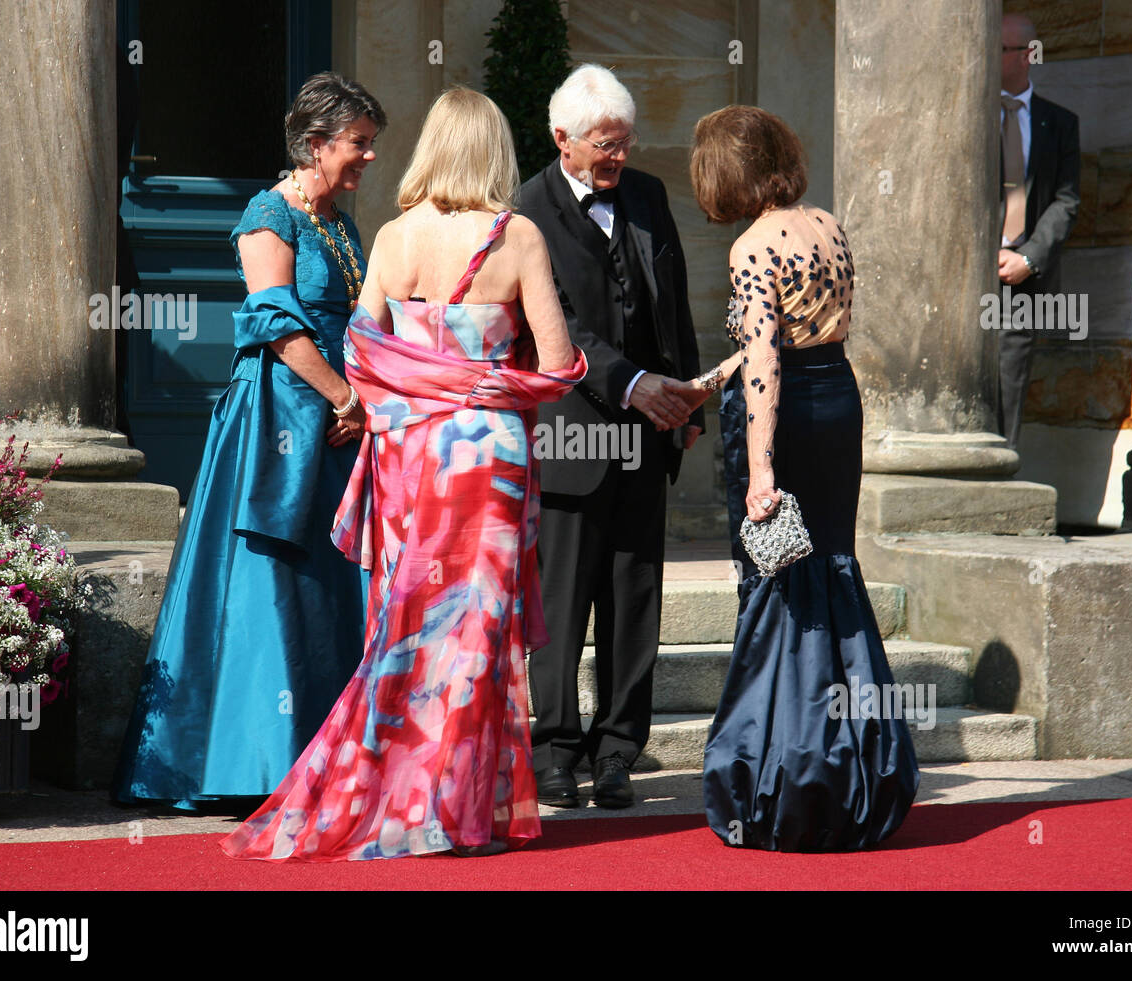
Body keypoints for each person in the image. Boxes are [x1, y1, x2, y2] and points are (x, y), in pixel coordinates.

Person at [221, 87, 587, 861]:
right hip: (489, 454)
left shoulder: (389, 236)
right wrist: (486, 383)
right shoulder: (516, 234)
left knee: (407, 624)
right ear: (495, 152)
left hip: (409, 452)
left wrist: (420, 388)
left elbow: (361, 354)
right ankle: (462, 811)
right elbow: (557, 366)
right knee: (478, 636)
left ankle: (399, 801)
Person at [112, 73, 385, 811]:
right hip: (279, 420)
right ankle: (257, 763)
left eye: (369, 145)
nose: (366, 159)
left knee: (330, 581)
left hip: (339, 421)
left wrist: (367, 398)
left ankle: (331, 753)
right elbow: (277, 322)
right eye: (358, 145)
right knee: (273, 575)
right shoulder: (268, 214)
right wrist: (343, 394)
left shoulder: (342, 224)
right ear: (316, 143)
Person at [677, 106, 919, 850]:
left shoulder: (751, 246)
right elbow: (800, 335)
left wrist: (758, 468)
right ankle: (853, 770)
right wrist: (706, 377)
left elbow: (767, 360)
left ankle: (788, 775)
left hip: (783, 422)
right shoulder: (827, 223)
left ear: (732, 172)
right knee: (831, 573)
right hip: (837, 405)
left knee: (782, 583)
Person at [519, 64, 704, 810]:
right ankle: (556, 750)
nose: (617, 158)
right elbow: (558, 326)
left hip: (648, 432)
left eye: (625, 143)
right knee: (560, 604)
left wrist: (687, 400)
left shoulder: (650, 195)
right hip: (569, 437)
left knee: (635, 599)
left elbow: (674, 301)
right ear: (562, 139)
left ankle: (621, 746)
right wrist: (630, 382)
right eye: (604, 144)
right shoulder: (526, 210)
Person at [996, 12, 1080, 450]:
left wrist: (1028, 258)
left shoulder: (1060, 123)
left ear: (1029, 55)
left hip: (1021, 282)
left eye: (1002, 50)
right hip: (964, 276)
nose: (992, 59)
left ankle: (1002, 480)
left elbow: (1066, 202)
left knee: (1010, 383)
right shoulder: (968, 118)